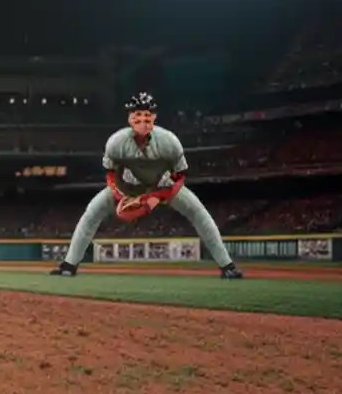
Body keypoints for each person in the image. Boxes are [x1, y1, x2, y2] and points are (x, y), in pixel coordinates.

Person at [49, 92, 244, 279]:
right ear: (129, 118)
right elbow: (110, 175)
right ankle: (69, 265)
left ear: (154, 117)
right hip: (128, 186)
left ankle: (227, 265)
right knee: (92, 212)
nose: (143, 120)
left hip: (162, 187)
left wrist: (156, 197)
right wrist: (121, 196)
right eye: (138, 115)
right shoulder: (116, 142)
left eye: (147, 115)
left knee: (198, 212)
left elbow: (179, 176)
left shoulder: (169, 141)